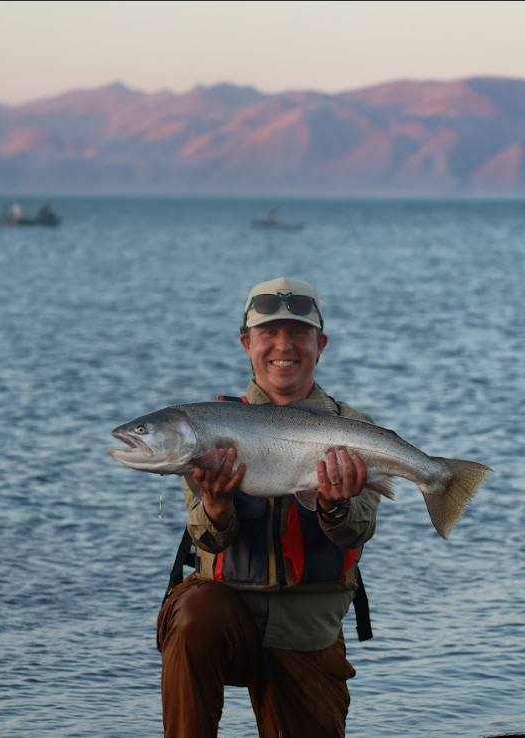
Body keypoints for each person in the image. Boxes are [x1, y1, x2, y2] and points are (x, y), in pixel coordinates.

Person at [156, 276, 382, 738]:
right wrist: (217, 504)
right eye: (269, 333)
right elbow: (206, 539)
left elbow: (358, 531)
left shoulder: (354, 430)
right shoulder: (203, 429)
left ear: (320, 344)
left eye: (298, 333)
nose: (284, 345)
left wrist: (336, 508)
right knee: (195, 613)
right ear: (247, 344)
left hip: (308, 632)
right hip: (224, 620)